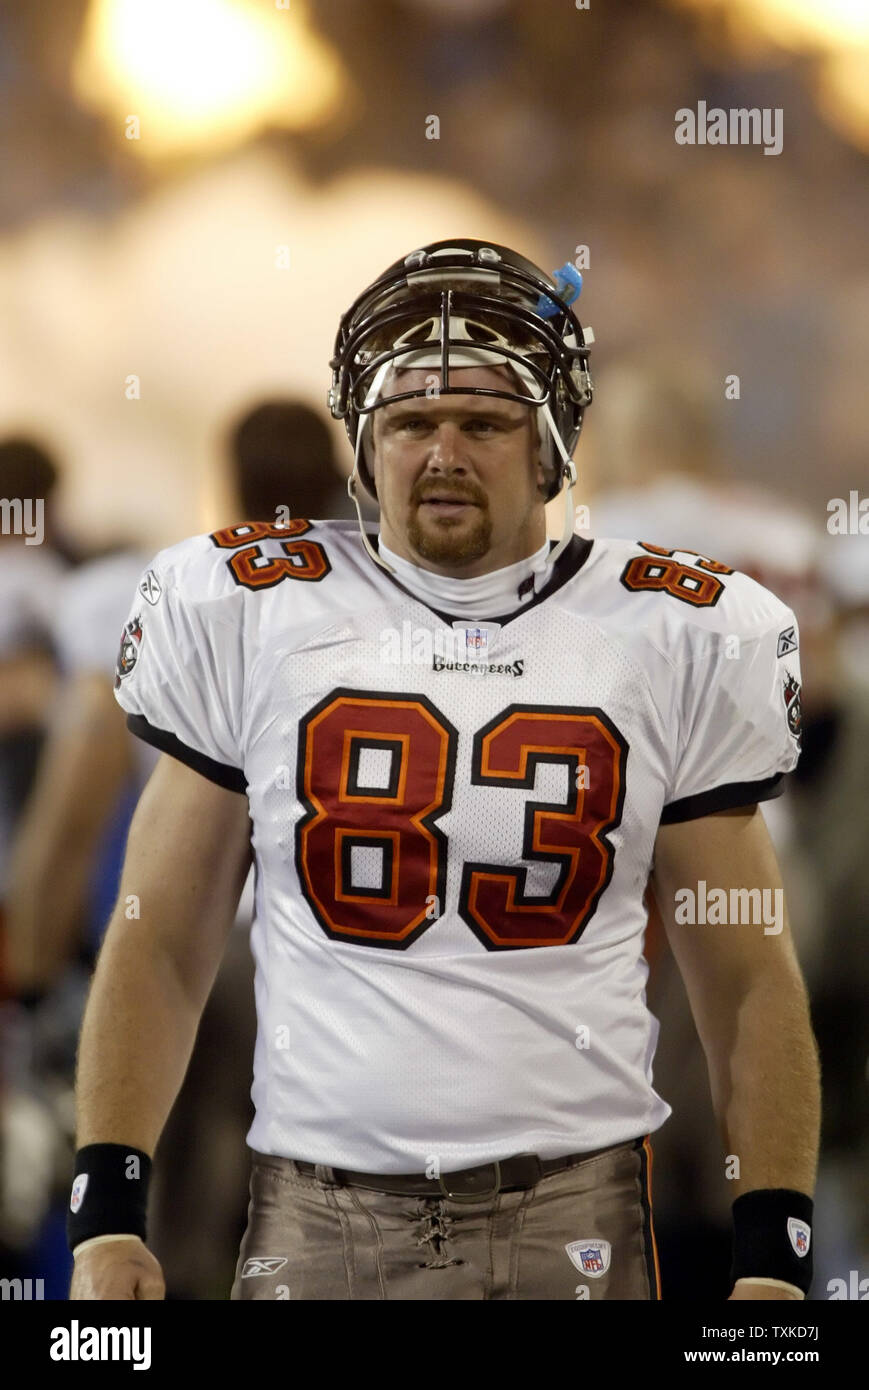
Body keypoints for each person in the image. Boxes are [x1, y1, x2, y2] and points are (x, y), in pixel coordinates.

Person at [66, 239, 819, 1301]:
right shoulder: (249, 608)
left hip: (575, 1208)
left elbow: (743, 976)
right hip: (311, 1206)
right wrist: (106, 1210)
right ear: (364, 445)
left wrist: (772, 1248)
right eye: (411, 422)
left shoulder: (671, 627)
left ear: (552, 443)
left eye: (484, 421)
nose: (443, 452)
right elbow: (163, 938)